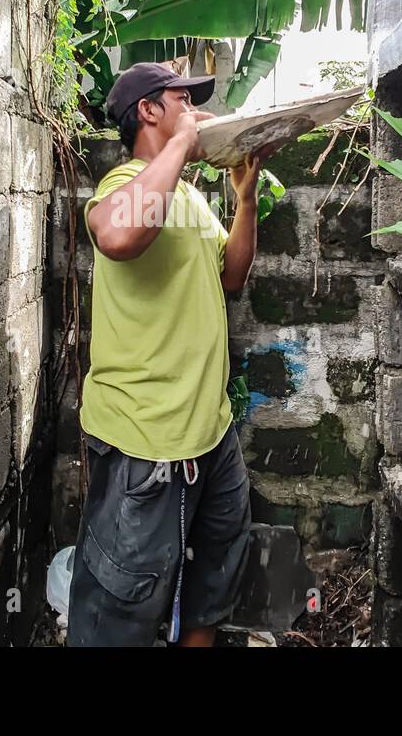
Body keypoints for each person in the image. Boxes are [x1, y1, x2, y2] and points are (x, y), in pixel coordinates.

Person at [67, 61, 269, 647]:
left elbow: (230, 278)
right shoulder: (123, 184)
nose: (196, 109)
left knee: (210, 587)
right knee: (119, 610)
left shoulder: (185, 194)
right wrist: (183, 142)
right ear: (150, 110)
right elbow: (120, 235)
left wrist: (246, 202)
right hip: (145, 443)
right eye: (184, 99)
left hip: (211, 434)